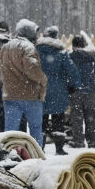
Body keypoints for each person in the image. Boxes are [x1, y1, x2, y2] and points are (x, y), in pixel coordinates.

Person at [0, 18, 47, 144]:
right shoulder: (28, 47)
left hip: (10, 95)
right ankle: (37, 156)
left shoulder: (6, 46)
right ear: (29, 33)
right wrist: (44, 80)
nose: (37, 36)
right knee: (35, 128)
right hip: (30, 95)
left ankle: (8, 153)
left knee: (10, 131)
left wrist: (8, 79)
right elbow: (32, 70)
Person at [37, 26, 76, 154]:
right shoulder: (61, 52)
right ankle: (59, 148)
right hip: (59, 90)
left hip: (40, 89)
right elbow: (71, 70)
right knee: (58, 120)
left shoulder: (36, 50)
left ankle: (39, 147)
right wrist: (74, 84)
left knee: (41, 120)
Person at [67, 34, 95, 149]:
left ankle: (79, 142)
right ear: (83, 45)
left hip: (75, 92)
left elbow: (65, 74)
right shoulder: (91, 58)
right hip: (89, 92)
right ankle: (92, 141)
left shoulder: (69, 58)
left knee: (77, 119)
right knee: (90, 118)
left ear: (73, 45)